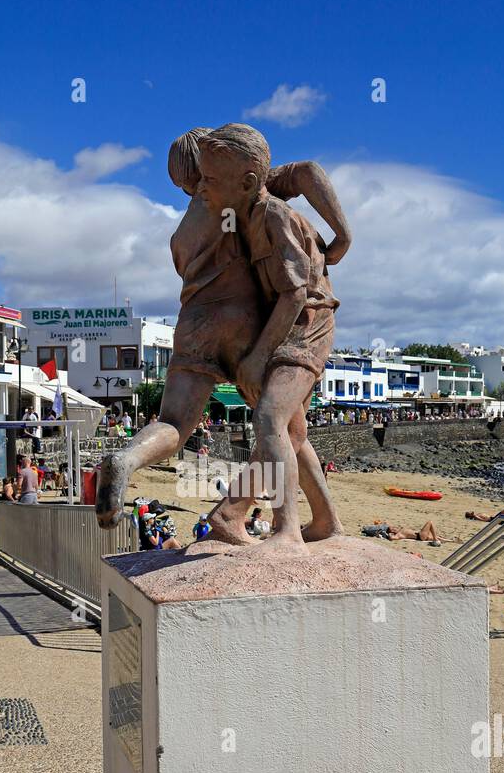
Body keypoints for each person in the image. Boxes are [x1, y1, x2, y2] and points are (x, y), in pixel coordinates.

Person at [95, 125, 351, 546]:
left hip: (194, 323)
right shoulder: (237, 197)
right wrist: (342, 234)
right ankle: (271, 520)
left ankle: (129, 459)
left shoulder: (190, 226)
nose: (196, 192)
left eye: (190, 184)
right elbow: (306, 172)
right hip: (246, 324)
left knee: (177, 422)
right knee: (282, 427)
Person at [197, 125, 342, 550]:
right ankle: (325, 521)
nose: (201, 188)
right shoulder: (243, 209)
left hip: (306, 327)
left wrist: (259, 355)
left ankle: (287, 529)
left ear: (244, 183)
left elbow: (296, 291)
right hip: (286, 326)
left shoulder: (272, 213)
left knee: (268, 420)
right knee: (292, 431)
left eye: (209, 180)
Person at [362, 519, 443, 546]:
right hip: (420, 536)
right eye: (393, 529)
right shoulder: (399, 534)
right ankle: (436, 541)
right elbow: (391, 538)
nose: (395, 528)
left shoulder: (399, 531)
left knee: (435, 535)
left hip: (420, 534)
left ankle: (448, 540)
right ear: (392, 532)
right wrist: (389, 534)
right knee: (430, 522)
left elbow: (387, 525)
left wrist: (384, 525)